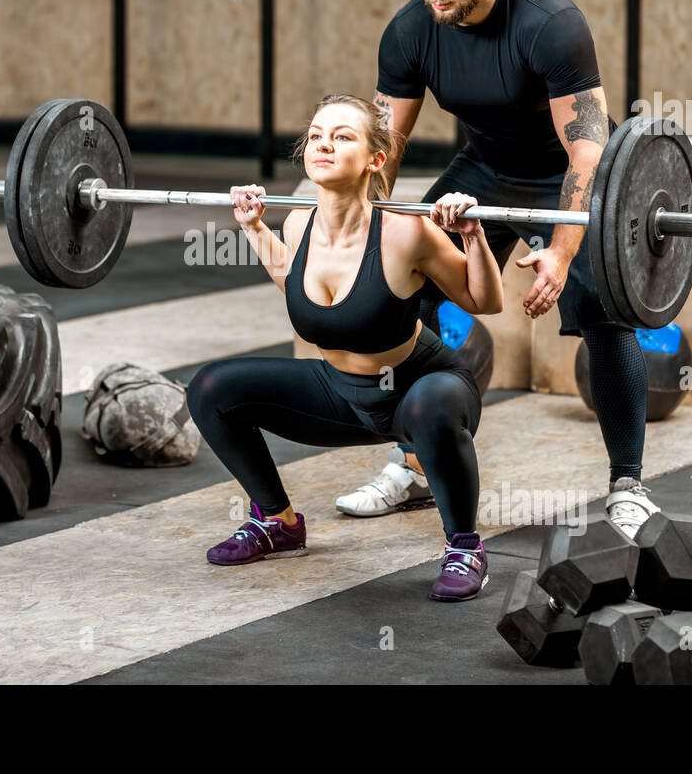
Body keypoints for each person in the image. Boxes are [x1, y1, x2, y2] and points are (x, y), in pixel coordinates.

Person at [337, 0, 658, 537]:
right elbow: (384, 150)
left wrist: (563, 253)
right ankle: (416, 465)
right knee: (402, 287)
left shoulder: (550, 24)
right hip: (483, 170)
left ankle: (628, 484)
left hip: (564, 173)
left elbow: (587, 154)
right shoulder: (409, 31)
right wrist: (364, 231)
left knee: (602, 310)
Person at [185, 93, 504, 601]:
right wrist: (253, 227)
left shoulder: (406, 231)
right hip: (340, 394)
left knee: (433, 402)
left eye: (342, 136)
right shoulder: (297, 223)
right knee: (210, 387)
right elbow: (294, 282)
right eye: (315, 136)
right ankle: (277, 522)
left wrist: (472, 236)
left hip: (419, 392)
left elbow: (484, 301)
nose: (323, 145)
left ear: (375, 160)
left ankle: (465, 547)